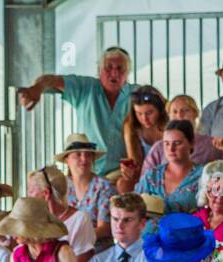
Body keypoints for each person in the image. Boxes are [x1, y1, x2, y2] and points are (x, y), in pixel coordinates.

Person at [16, 46, 134, 175]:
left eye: (120, 68)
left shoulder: (136, 94)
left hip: (123, 173)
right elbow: (51, 80)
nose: (114, 73)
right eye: (108, 67)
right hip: (86, 170)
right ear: (99, 71)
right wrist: (37, 89)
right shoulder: (86, 88)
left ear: (127, 74)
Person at [25, 165, 96, 262]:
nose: (28, 196)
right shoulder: (31, 220)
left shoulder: (79, 220)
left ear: (46, 193)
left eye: (30, 191)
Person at [136, 94, 220, 182]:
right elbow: (144, 180)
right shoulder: (159, 147)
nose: (180, 115)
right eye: (175, 112)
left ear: (195, 113)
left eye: (185, 110)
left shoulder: (211, 144)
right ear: (169, 116)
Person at [137, 120, 204, 215]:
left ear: (191, 143)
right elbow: (134, 206)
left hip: (188, 229)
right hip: (149, 229)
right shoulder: (152, 175)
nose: (171, 149)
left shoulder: (204, 175)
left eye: (177, 143)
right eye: (166, 143)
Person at [58, 134, 113, 241]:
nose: (84, 159)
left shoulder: (104, 187)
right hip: (66, 249)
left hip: (97, 252)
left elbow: (105, 228)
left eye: (88, 155)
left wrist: (73, 239)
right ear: (67, 160)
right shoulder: (60, 187)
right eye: (78, 154)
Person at [118, 86, 168, 189]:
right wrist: (128, 170)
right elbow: (134, 162)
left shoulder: (170, 122)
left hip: (169, 172)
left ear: (160, 110)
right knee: (123, 184)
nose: (144, 118)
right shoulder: (131, 125)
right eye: (139, 113)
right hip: (144, 174)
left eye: (149, 113)